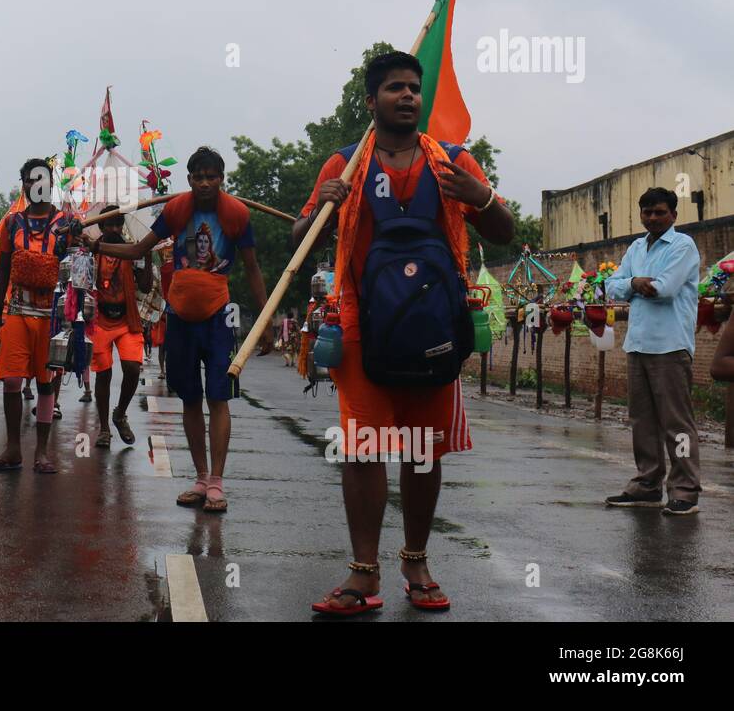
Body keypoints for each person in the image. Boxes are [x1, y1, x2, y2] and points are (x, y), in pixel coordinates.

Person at [293, 50, 514, 616]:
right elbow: (301, 240)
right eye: (395, 88)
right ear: (372, 102)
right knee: (363, 450)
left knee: (422, 451)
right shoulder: (344, 165)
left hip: (437, 326)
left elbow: (506, 231)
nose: (408, 96)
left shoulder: (454, 162)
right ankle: (364, 576)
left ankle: (416, 560)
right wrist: (320, 205)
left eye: (414, 87)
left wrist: (478, 196)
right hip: (362, 328)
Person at [90, 146, 272, 512]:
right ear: (189, 180)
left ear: (222, 179)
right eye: (198, 177)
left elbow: (252, 269)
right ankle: (201, 478)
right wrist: (96, 244)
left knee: (218, 398)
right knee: (190, 398)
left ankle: (217, 483)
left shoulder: (236, 214)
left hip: (218, 317)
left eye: (212, 176)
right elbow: (140, 248)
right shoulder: (175, 211)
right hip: (180, 319)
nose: (205, 183)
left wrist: (265, 321)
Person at [604, 188, 702, 515]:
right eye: (647, 212)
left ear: (673, 214)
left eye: (659, 212)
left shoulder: (682, 246)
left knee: (677, 423)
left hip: (670, 346)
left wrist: (634, 285)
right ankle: (647, 484)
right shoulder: (636, 247)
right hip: (638, 344)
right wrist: (633, 284)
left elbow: (664, 288)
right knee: (642, 421)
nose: (652, 217)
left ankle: (685, 489)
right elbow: (611, 287)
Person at [0, 158, 77, 474]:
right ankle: (13, 449)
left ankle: (41, 452)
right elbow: (4, 267)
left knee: (45, 383)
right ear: (23, 184)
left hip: (51, 315)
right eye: (29, 179)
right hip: (18, 311)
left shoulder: (66, 224)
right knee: (11, 380)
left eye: (42, 179)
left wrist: (77, 238)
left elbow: (78, 261)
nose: (35, 185)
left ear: (51, 184)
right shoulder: (12, 224)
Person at [87, 206, 153, 448]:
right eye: (110, 224)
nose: (115, 229)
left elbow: (145, 287)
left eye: (118, 224)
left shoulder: (132, 250)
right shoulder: (92, 252)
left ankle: (120, 413)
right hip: (100, 321)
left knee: (132, 369)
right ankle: (104, 429)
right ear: (101, 227)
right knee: (103, 375)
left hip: (127, 321)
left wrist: (146, 255)